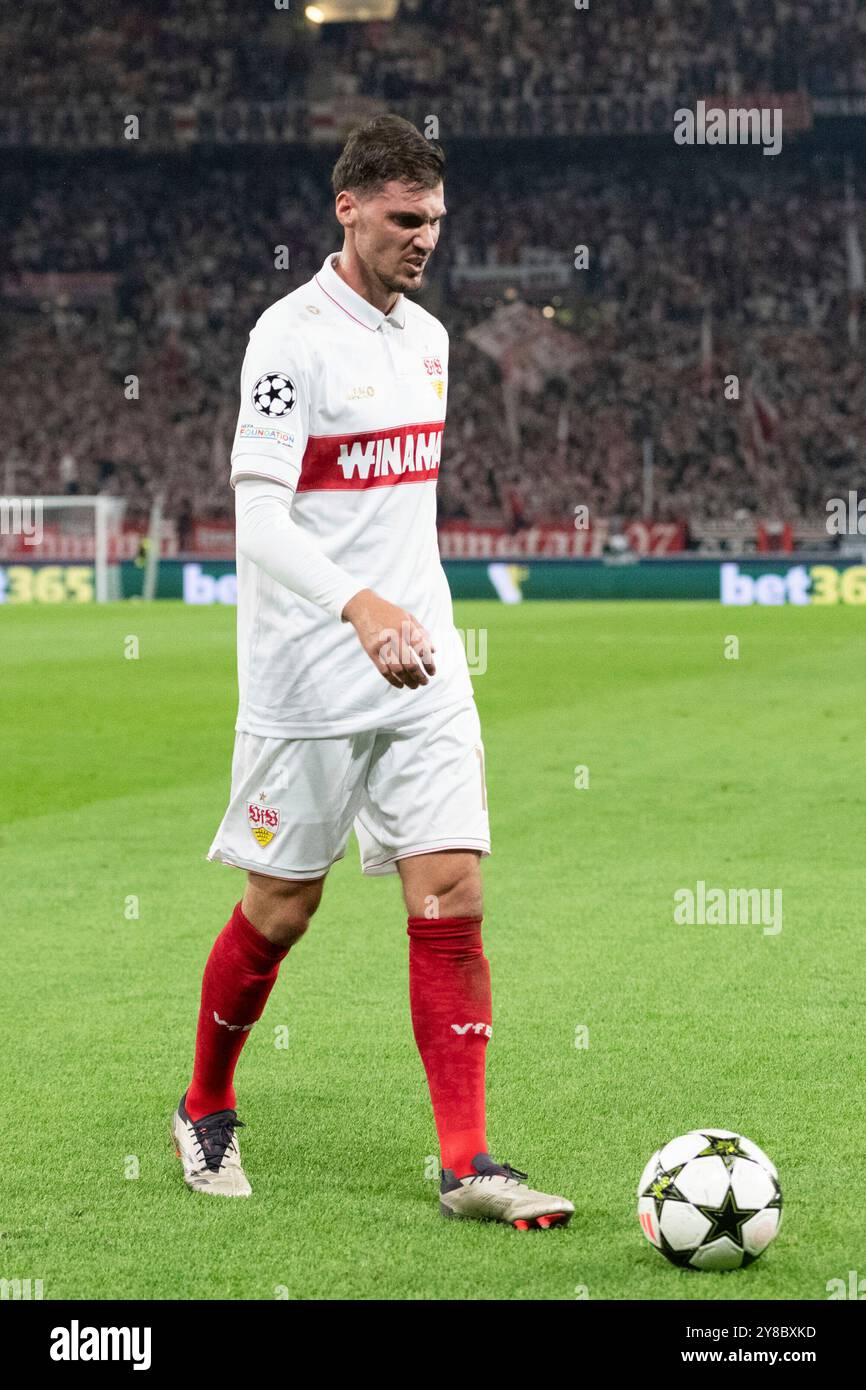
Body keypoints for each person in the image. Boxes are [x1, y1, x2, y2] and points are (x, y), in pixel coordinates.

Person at [172, 114, 573, 1230]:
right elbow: (257, 518)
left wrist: (407, 614)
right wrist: (356, 603)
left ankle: (467, 1163)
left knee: (450, 892)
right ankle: (205, 1104)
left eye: (435, 221)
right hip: (308, 670)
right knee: (281, 908)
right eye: (404, 219)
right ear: (345, 208)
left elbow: (400, 510)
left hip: (421, 662)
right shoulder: (287, 338)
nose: (423, 239)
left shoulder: (433, 339)